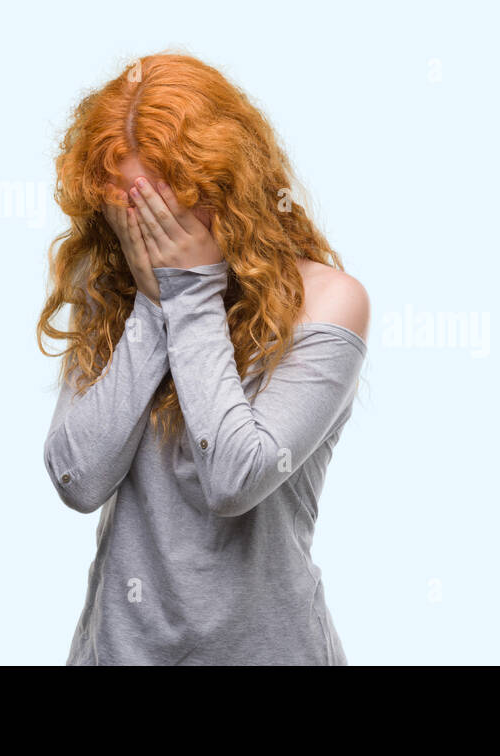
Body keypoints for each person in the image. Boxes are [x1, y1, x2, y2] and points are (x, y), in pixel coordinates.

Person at [36, 53, 369, 665]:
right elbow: (78, 480)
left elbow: (235, 479)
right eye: (135, 216)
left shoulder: (329, 302)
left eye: (174, 209)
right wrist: (150, 308)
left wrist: (190, 295)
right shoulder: (111, 290)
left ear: (229, 190)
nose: (154, 237)